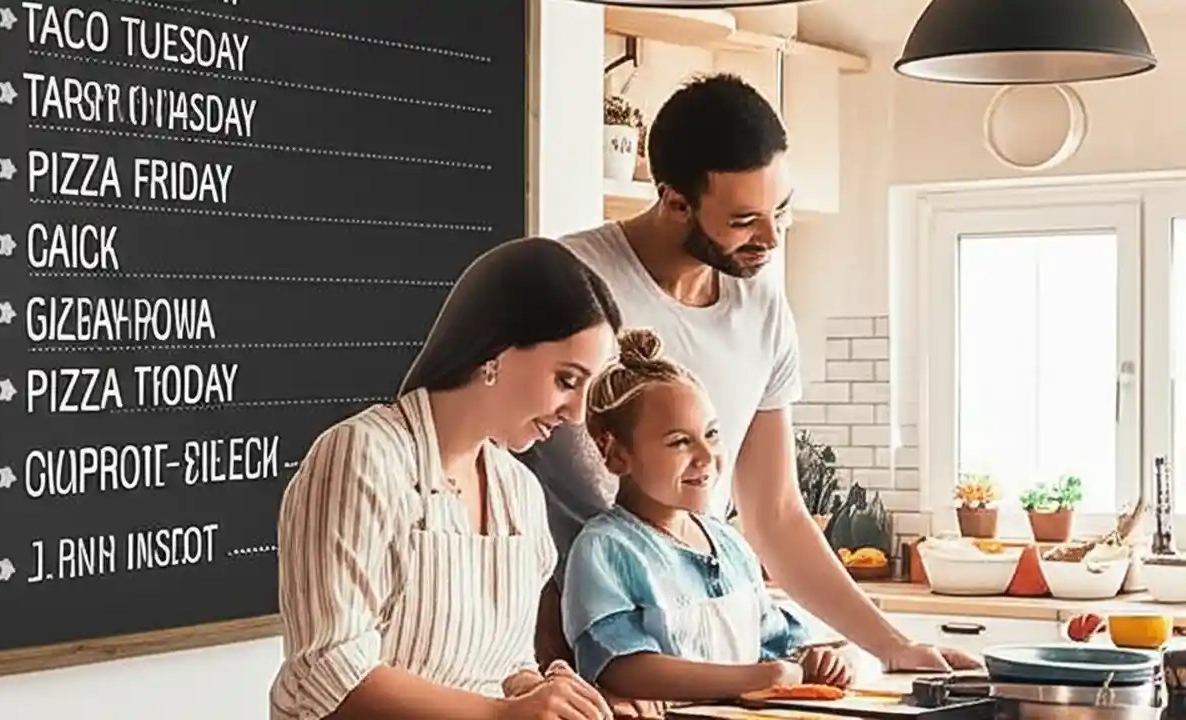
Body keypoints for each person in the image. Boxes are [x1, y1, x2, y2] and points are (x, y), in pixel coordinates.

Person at [517, 73, 981, 699]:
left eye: (781, 210)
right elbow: (483, 467)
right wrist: (540, 669)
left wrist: (892, 644)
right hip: (571, 660)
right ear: (674, 200)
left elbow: (776, 513)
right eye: (744, 220)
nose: (771, 237)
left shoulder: (762, 308)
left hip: (700, 664)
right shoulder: (569, 282)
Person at [269, 237, 622, 720]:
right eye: (566, 380)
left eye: (587, 386)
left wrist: (544, 694)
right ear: (495, 350)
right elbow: (330, 673)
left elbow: (504, 665)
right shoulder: (361, 456)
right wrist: (502, 715)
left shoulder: (518, 492)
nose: (577, 413)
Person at [561, 328, 857, 704]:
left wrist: (815, 659)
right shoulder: (605, 548)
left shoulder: (730, 543)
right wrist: (753, 677)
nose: (706, 456)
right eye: (679, 441)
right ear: (617, 454)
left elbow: (774, 642)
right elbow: (621, 666)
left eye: (712, 434)